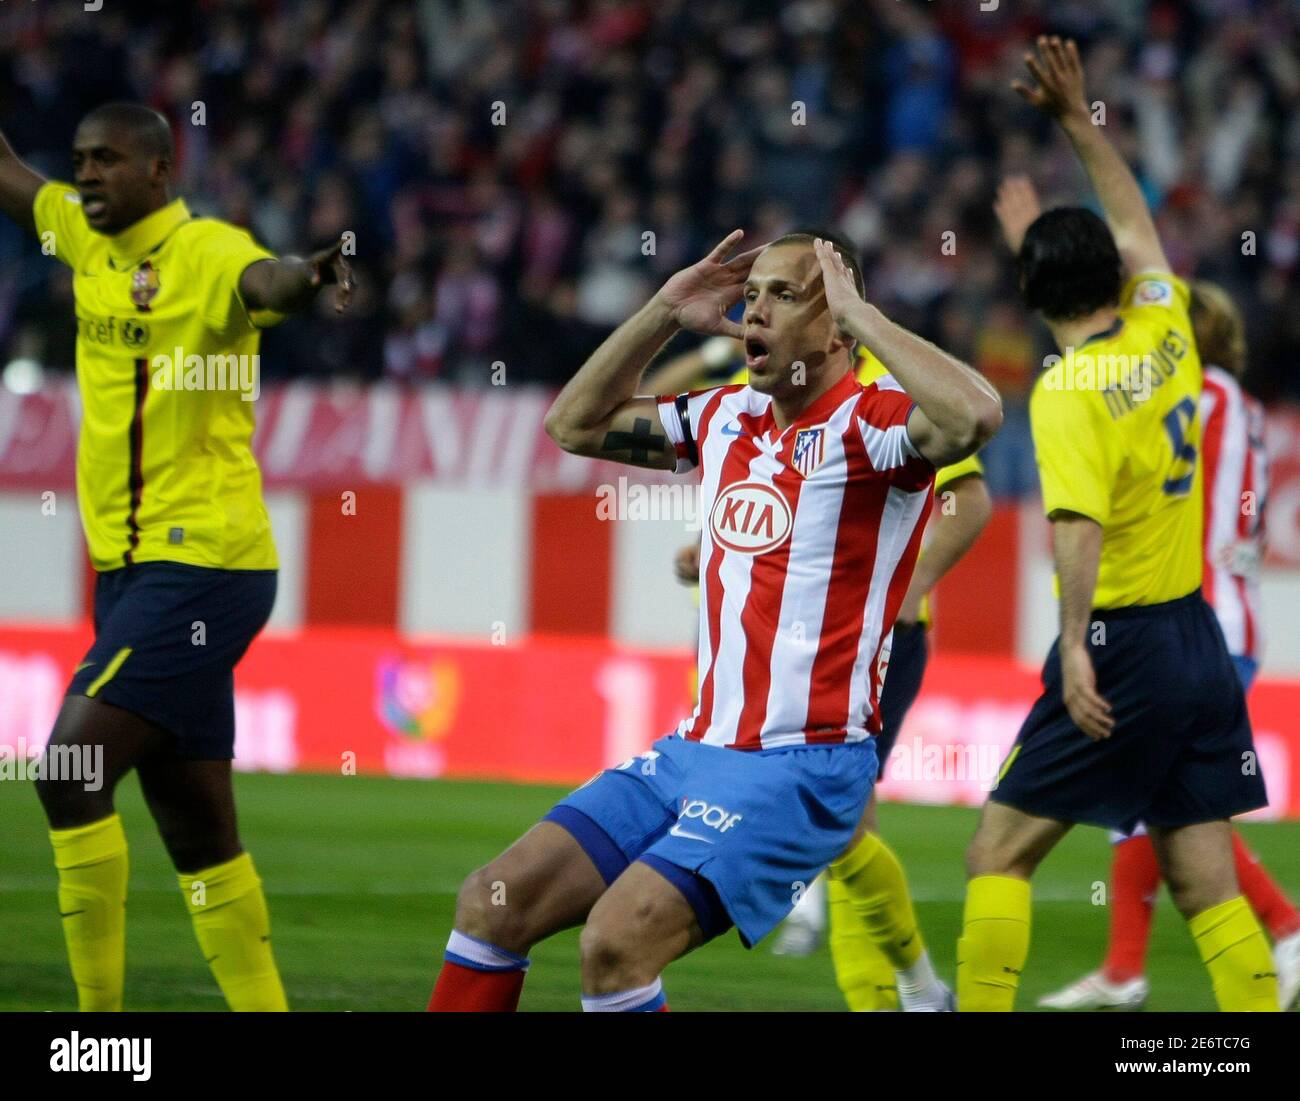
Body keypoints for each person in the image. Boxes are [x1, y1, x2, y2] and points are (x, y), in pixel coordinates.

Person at [426, 227, 1001, 1012]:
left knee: (615, 942)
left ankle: (917, 989)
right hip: (693, 750)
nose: (755, 311)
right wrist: (664, 309)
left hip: (803, 765)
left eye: (785, 295)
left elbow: (976, 416)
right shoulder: (726, 415)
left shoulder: (875, 425)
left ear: (834, 323)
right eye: (751, 293)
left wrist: (864, 318)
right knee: (492, 901)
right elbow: (573, 424)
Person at [1, 102, 352, 1011]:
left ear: (161, 170)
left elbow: (265, 283)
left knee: (69, 769)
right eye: (79, 159)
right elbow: (13, 180)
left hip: (205, 565)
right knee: (197, 830)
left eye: (107, 159)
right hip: (126, 575)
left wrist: (307, 280)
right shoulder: (81, 238)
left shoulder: (207, 251)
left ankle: (94, 1036)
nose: (85, 174)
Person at [956, 37, 1277, 1013]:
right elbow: (1133, 224)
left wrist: (1073, 647)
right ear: (1116, 277)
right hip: (1196, 638)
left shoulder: (1064, 392)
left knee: (996, 855)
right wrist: (1076, 117)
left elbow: (1076, 531)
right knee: (1202, 879)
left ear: (1028, 295)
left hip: (1123, 638)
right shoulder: (1165, 323)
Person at [669, 340, 993, 1013]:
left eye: (789, 295)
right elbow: (673, 417)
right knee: (841, 828)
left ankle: (899, 992)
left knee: (846, 822)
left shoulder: (896, 391)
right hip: (774, 641)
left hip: (868, 637)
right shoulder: (763, 387)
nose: (767, 313)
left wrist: (918, 583)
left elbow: (970, 497)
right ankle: (917, 991)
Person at [1036, 279, 1300, 1011]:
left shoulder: (1191, 391)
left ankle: (1278, 927)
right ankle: (1131, 967)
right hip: (1233, 617)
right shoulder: (1244, 405)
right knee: (1160, 799)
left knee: (1167, 802)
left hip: (1186, 620)